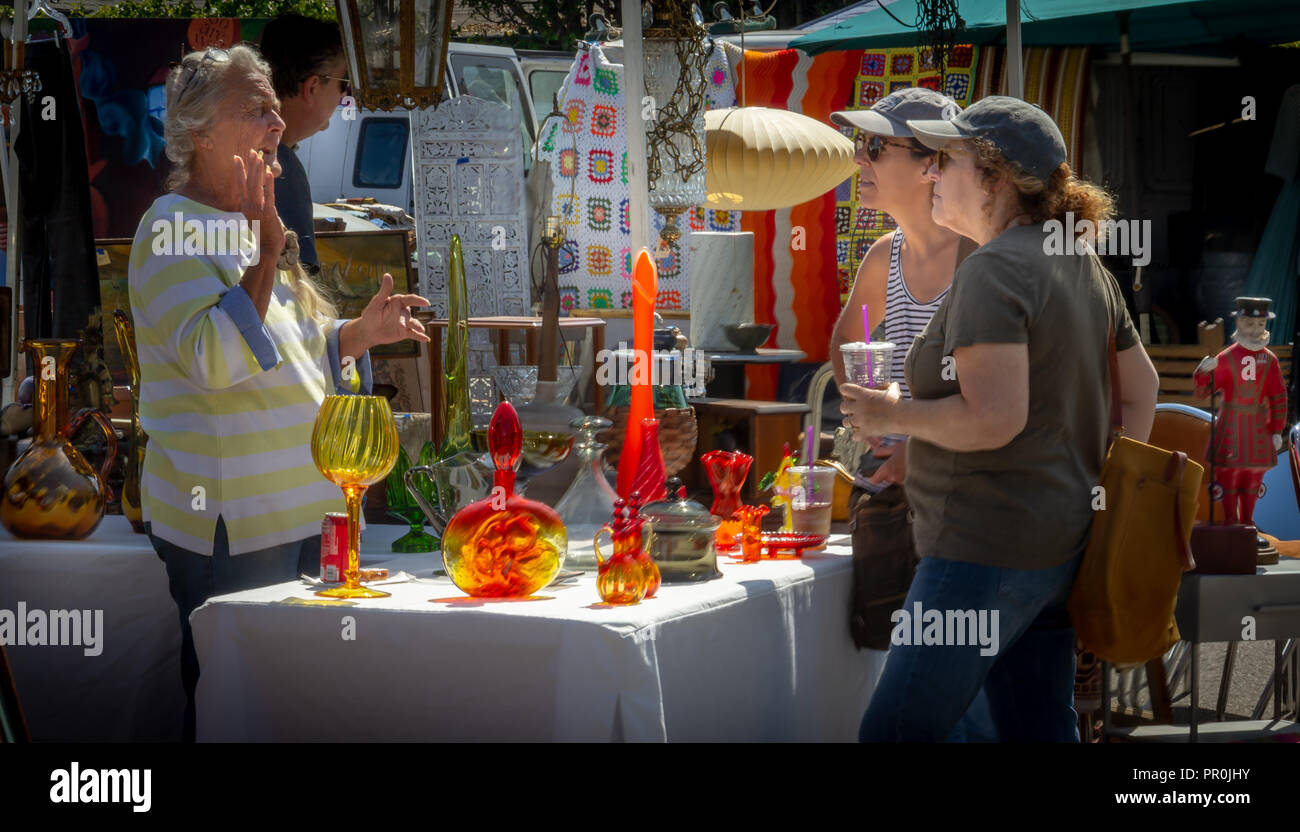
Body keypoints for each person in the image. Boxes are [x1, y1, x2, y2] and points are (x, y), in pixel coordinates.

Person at [130, 44, 429, 741]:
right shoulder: (170, 228)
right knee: (236, 709)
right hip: (231, 524)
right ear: (199, 132)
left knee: (299, 706)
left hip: (307, 512)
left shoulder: (257, 224)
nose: (275, 125)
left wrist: (355, 334)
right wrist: (268, 254)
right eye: (255, 109)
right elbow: (214, 360)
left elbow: (291, 358)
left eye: (274, 108)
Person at [840, 96, 1160, 742]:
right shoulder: (1082, 264)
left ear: (996, 178)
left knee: (895, 730)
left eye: (948, 160)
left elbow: (994, 418)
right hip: (1054, 551)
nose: (933, 174)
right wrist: (1098, 495)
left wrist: (893, 412)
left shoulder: (994, 268)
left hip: (978, 553)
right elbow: (1144, 388)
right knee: (1036, 731)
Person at [828, 88, 996, 742]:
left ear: (931, 161)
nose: (858, 159)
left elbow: (1000, 403)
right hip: (907, 505)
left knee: (939, 714)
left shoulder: (980, 258)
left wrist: (915, 443)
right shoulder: (885, 256)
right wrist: (863, 411)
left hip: (968, 513)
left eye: (874, 146)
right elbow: (844, 343)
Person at [259, 14, 350, 271]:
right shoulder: (280, 165)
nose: (344, 95)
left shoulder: (239, 148)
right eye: (344, 83)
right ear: (312, 87)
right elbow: (300, 287)